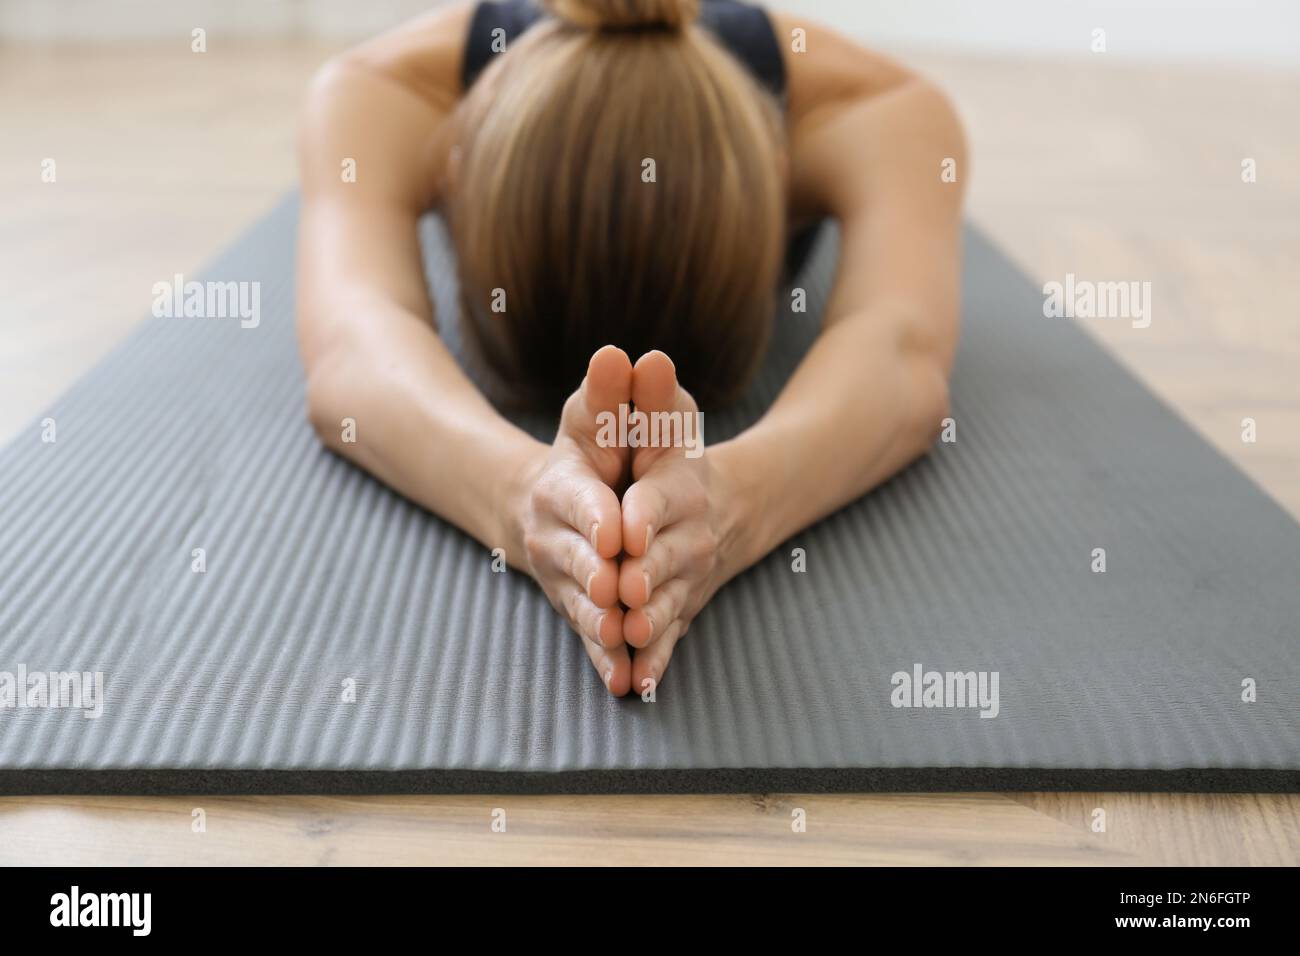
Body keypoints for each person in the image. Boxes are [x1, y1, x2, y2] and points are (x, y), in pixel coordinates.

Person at [295, 0, 966, 696]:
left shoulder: (878, 105)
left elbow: (899, 350)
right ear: (455, 167)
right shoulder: (382, 91)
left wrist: (734, 504)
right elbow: (355, 344)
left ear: (779, 168)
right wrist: (529, 504)